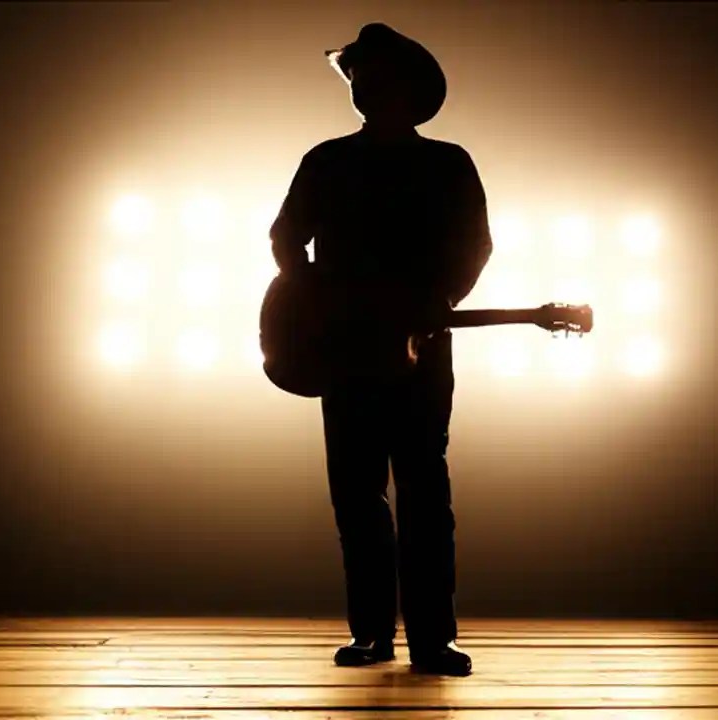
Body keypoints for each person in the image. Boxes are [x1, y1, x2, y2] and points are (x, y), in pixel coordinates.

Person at [268, 23, 492, 676]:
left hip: (419, 349)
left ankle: (429, 639)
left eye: (370, 73)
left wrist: (438, 301)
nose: (359, 85)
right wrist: (311, 296)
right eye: (356, 74)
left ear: (401, 86)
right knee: (359, 493)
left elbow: (474, 245)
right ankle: (374, 632)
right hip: (345, 349)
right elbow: (286, 237)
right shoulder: (327, 160)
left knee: (423, 489)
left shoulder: (447, 164)